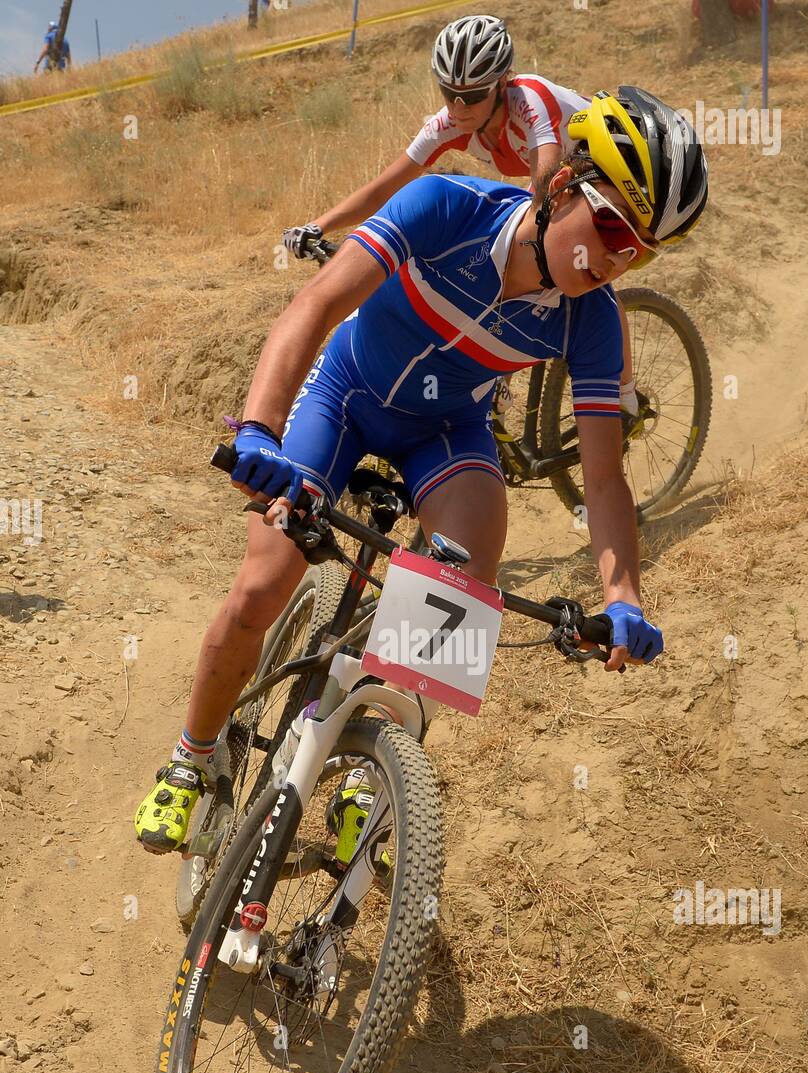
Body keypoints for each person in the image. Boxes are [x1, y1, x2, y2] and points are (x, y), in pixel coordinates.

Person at [135, 86, 708, 854]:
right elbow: (313, 305)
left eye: (639, 251)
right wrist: (260, 433)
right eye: (610, 230)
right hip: (344, 397)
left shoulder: (593, 319)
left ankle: (377, 769)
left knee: (460, 587)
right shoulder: (446, 208)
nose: (614, 260)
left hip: (446, 431)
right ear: (566, 184)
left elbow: (603, 478)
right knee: (262, 584)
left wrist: (623, 595)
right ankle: (191, 759)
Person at [285, 14, 639, 413]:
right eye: (447, 91)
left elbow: (544, 188)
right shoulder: (450, 122)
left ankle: (623, 394)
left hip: (597, 171)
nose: (457, 106)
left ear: (502, 85)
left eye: (471, 97)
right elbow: (385, 187)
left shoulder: (529, 100)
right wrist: (319, 224)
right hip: (554, 175)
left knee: (585, 274)